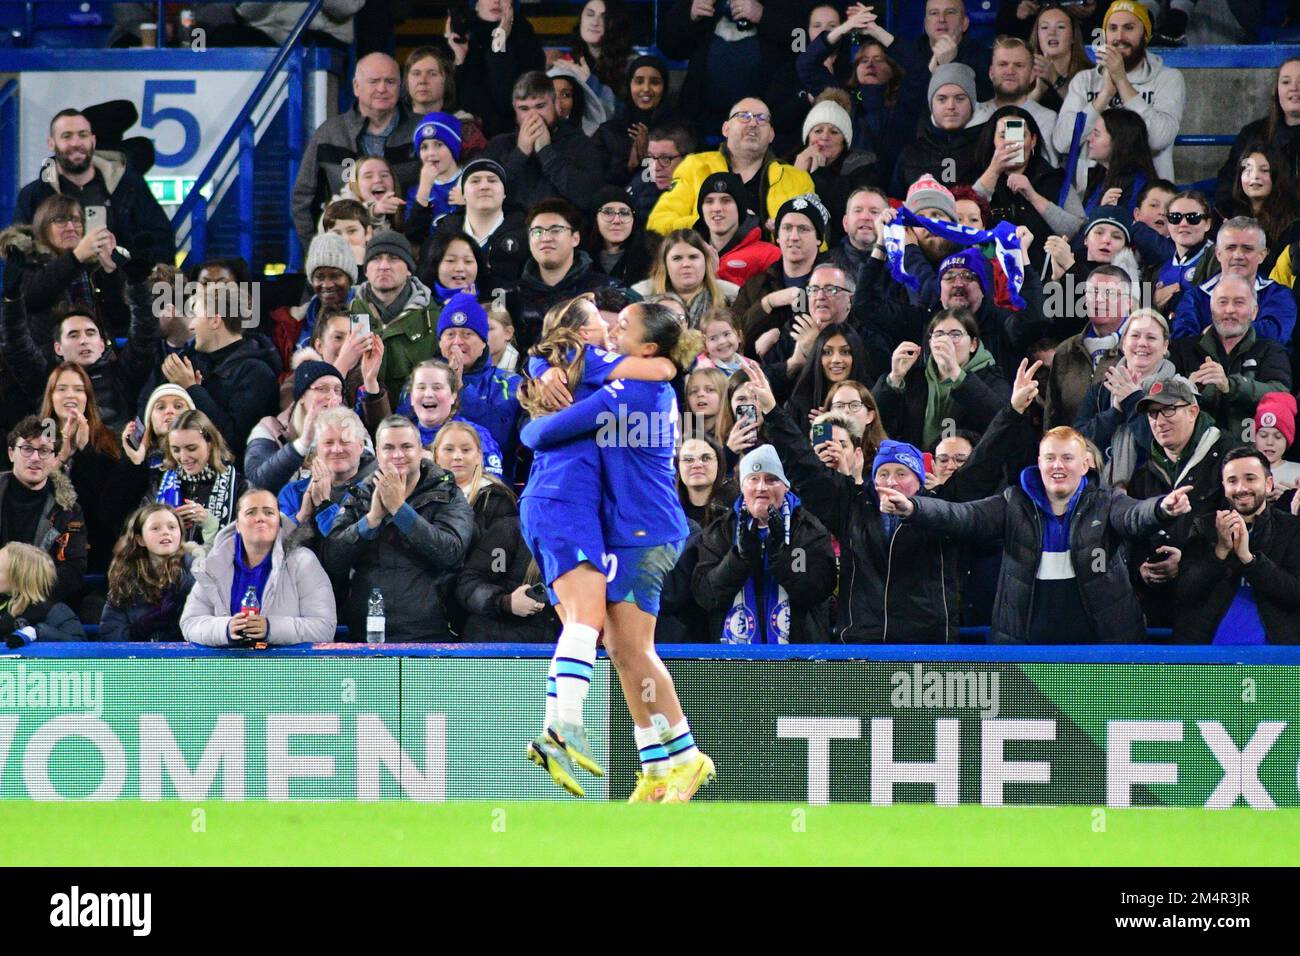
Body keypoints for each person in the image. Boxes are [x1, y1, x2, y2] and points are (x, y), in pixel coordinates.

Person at [520, 301, 714, 802]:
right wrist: (541, 368)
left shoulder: (636, 387)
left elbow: (541, 431)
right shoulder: (638, 380)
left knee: (633, 649)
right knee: (623, 650)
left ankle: (687, 757)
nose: (611, 329)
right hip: (637, 530)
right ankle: (653, 765)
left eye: (622, 326)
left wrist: (538, 401)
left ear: (647, 347)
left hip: (642, 533)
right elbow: (555, 353)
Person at [749, 356, 1033, 642]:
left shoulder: (944, 505)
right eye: (883, 473)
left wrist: (1013, 410)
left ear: (920, 480)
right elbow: (804, 464)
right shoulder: (851, 506)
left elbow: (983, 463)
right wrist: (772, 412)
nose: (891, 481)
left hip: (928, 649)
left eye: (902, 473)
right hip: (863, 647)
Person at [881, 421, 1194, 643]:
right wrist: (914, 508)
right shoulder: (1013, 502)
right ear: (1039, 463)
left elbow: (1135, 516)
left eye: (1067, 458)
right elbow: (963, 516)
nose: (1058, 466)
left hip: (1103, 653)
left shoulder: (1107, 502)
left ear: (1085, 464)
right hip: (1025, 656)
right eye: (1050, 458)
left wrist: (1161, 509)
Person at [320, 415, 475, 642]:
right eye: (389, 448)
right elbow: (332, 559)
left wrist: (399, 510)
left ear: (421, 449)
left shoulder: (447, 493)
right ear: (377, 454)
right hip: (365, 634)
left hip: (430, 634)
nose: (398, 455)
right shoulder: (360, 495)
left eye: (406, 446)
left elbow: (450, 553)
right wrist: (371, 520)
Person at [692, 443, 837, 643]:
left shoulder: (807, 531)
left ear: (785, 485)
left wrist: (782, 554)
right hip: (735, 663)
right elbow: (706, 596)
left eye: (771, 479)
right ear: (742, 486)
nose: (761, 487)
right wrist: (739, 558)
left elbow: (814, 590)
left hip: (798, 657)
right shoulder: (720, 532)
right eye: (754, 479)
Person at [2, 259, 158, 432]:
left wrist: (138, 284)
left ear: (101, 344)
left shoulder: (121, 375)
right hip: (58, 456)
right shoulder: (45, 377)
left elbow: (145, 334)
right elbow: (16, 344)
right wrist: (13, 300)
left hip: (113, 456)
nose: (83, 340)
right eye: (73, 335)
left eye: (90, 333)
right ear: (58, 348)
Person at [291, 53, 421, 249]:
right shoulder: (330, 133)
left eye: (390, 81)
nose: (382, 88)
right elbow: (303, 199)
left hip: (408, 253)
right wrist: (319, 251)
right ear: (356, 87)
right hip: (346, 256)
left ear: (400, 87)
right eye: (374, 81)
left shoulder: (421, 131)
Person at [1173, 447, 1300, 644]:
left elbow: (1294, 593)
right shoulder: (1204, 527)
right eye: (1232, 481)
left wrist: (1249, 560)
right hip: (1210, 656)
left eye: (1250, 478)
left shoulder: (1291, 528)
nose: (1241, 488)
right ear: (1224, 486)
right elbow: (1186, 592)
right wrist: (1220, 551)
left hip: (1275, 656)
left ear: (1268, 484)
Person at [13, 108, 175, 261]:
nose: (76, 143)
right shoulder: (34, 194)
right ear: (51, 143)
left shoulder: (129, 185)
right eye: (67, 136)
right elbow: (18, 258)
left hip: (122, 287)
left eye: (82, 135)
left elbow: (161, 242)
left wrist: (129, 268)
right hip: (58, 287)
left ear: (93, 140)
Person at [181, 489, 336, 646]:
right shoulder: (214, 565)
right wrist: (226, 628)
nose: (260, 518)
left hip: (288, 668)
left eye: (269, 513)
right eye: (251, 512)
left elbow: (324, 627)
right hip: (226, 668)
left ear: (278, 523)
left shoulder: (303, 562)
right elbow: (190, 623)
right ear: (238, 525)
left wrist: (270, 628)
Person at [1051, 1, 1186, 183]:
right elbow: (1063, 142)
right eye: (1112, 28)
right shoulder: (1084, 80)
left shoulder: (1168, 78)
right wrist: (1104, 95)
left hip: (1149, 198)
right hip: (1090, 198)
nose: (1119, 36)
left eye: (1129, 28)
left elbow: (1159, 138)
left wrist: (1122, 82)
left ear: (1145, 34)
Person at [647, 96, 815, 238]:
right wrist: (707, 223)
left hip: (771, 270)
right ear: (726, 128)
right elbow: (659, 222)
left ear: (771, 134)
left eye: (761, 118)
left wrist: (783, 232)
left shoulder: (797, 179)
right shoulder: (696, 166)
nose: (753, 123)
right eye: (743, 116)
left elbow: (817, 240)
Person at [656, 0, 802, 141]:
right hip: (701, 126)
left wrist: (764, 16)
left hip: (763, 126)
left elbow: (803, 41)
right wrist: (689, 14)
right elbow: (667, 46)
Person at [0, 194, 128, 346]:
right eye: (60, 220)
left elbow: (121, 318)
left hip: (98, 358)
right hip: (45, 361)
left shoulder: (94, 266)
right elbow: (33, 298)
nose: (71, 228)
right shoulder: (26, 260)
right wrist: (76, 256)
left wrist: (110, 271)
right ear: (43, 226)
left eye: (76, 220)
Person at [1170, 275, 1292, 434]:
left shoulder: (1271, 350)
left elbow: (1281, 395)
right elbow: (1162, 400)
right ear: (1212, 310)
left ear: (1254, 312)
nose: (1229, 310)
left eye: (1239, 302)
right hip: (1195, 452)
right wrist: (1187, 389)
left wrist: (1230, 386)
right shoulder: (1182, 348)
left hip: (1250, 452)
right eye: (1222, 302)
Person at [875, 308, 1010, 450]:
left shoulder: (992, 378)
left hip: (967, 467)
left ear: (973, 344)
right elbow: (875, 420)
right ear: (930, 342)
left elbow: (1002, 422)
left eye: (955, 335)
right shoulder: (915, 378)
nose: (946, 342)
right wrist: (894, 378)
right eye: (939, 335)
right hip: (917, 467)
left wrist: (955, 373)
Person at [1073, 308, 1177, 487]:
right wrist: (1115, 413)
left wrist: (1132, 401)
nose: (1142, 343)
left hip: (1153, 493)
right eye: (1135, 336)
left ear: (1165, 346)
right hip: (1099, 493)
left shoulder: (1178, 390)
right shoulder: (1101, 390)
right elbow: (1078, 442)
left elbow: (1166, 448)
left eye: (1151, 338)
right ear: (1123, 343)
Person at [972, 107, 1083, 273]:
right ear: (992, 140)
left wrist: (1033, 195)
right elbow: (964, 220)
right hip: (992, 275)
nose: (1012, 143)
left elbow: (1077, 229)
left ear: (1033, 140)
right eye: (1003, 136)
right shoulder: (977, 175)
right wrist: (994, 170)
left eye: (1020, 136)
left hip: (1044, 276)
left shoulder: (1056, 179)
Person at [506, 198, 622, 352]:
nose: (546, 238)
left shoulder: (607, 289)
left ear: (575, 238)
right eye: (537, 231)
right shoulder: (512, 296)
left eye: (556, 230)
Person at [481, 71, 605, 214]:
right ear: (514, 109)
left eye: (540, 106)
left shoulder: (580, 144)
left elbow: (588, 197)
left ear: (555, 104)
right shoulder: (500, 145)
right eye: (524, 108)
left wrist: (546, 153)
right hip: (511, 231)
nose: (533, 116)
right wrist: (520, 153)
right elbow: (485, 197)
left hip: (564, 229)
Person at [0, 416, 87, 605]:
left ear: (55, 457)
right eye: (27, 448)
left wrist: (29, 593)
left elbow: (73, 569)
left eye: (44, 451)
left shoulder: (68, 510)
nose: (35, 457)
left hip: (41, 602)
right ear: (11, 453)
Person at [1172, 218, 1297, 348]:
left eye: (1247, 249)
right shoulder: (1194, 297)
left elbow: (1274, 336)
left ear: (1262, 255)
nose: (1238, 255)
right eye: (1230, 248)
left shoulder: (1278, 294)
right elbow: (1182, 343)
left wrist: (1213, 334)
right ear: (1218, 253)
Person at [346, 231, 440, 402]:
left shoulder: (433, 318)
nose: (383, 266)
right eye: (375, 258)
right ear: (366, 270)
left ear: (409, 270)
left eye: (393, 258)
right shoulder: (348, 312)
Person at [734, 195, 829, 357]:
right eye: (787, 228)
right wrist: (767, 303)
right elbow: (733, 337)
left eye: (803, 229)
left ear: (819, 239)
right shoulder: (755, 285)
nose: (794, 237)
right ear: (777, 237)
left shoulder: (833, 284)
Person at [1045, 264, 1134, 426]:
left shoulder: (1141, 349)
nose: (1099, 299)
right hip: (1072, 447)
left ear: (1128, 302)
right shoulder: (1066, 350)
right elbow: (1052, 415)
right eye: (1093, 292)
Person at [428, 157, 529, 293]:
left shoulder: (526, 231)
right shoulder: (444, 232)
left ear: (504, 193)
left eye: (492, 180)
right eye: (475, 181)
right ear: (462, 194)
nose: (484, 186)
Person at [244, 360, 348, 493]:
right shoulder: (269, 428)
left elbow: (365, 472)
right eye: (322, 389)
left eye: (337, 390)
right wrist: (303, 443)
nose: (332, 396)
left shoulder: (350, 426)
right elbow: (257, 483)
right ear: (302, 396)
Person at [449, 0, 548, 139]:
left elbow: (507, 101)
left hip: (514, 135)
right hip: (468, 137)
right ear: (476, 4)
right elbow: (453, 101)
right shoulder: (461, 36)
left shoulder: (525, 36)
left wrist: (499, 43)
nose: (496, 1)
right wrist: (459, 61)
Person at [1215, 57, 1300, 215]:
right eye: (1286, 82)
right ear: (1276, 90)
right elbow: (1227, 186)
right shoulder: (1252, 134)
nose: (1294, 88)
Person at [793, 91, 881, 244]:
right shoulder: (789, 163)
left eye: (834, 132)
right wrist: (795, 175)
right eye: (818, 130)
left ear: (844, 141)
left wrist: (819, 173)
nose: (824, 137)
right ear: (808, 137)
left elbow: (837, 212)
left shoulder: (862, 168)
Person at [100, 504, 195, 642]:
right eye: (156, 528)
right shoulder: (125, 580)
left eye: (172, 527)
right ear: (140, 539)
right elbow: (110, 633)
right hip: (139, 661)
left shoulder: (197, 574)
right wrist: (137, 631)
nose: (165, 532)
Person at [892, 63, 985, 199]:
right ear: (931, 104)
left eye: (960, 99)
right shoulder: (911, 153)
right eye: (942, 99)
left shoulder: (988, 147)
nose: (951, 106)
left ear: (972, 103)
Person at [889, 0, 994, 119]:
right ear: (925, 23)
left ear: (964, 23)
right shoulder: (908, 55)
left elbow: (983, 105)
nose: (941, 19)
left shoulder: (986, 58)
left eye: (950, 12)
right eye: (934, 13)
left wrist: (949, 66)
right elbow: (906, 109)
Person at [270, 232, 357, 373]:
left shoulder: (368, 315)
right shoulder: (293, 321)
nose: (327, 284)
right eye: (319, 277)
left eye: (335, 276)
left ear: (350, 278)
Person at [970, 36, 1060, 165]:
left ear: (1032, 75)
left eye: (1019, 65)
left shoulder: (1046, 118)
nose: (1010, 71)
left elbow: (1049, 173)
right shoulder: (974, 113)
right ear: (991, 73)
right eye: (1003, 64)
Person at [592, 54, 676, 187]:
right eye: (639, 81)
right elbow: (596, 183)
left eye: (654, 82)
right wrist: (630, 166)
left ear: (664, 88)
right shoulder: (608, 132)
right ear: (629, 85)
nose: (646, 88)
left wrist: (648, 158)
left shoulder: (679, 131)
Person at [1219, 145, 1300, 275]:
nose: (1255, 176)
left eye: (1264, 170)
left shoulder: (1294, 221)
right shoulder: (1224, 212)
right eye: (1248, 170)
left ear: (1277, 175)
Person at [633, 229, 738, 328]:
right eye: (677, 258)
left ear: (706, 262)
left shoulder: (732, 297)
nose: (686, 264)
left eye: (693, 257)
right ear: (664, 264)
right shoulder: (640, 298)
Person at [693, 173, 780, 288]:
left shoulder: (769, 255)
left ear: (740, 208)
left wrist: (715, 277)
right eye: (709, 201)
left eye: (726, 201)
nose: (717, 208)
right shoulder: (687, 253)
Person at [403, 45, 488, 160]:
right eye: (416, 73)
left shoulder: (464, 128)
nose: (422, 81)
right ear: (406, 82)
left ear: (446, 81)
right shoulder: (393, 124)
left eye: (432, 74)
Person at [431, 419, 516, 531]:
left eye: (466, 450)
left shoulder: (497, 499)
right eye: (449, 449)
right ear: (436, 456)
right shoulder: (422, 496)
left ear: (479, 457)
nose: (457, 456)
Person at [0, 542, 85, 647]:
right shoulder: (5, 607)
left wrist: (37, 632)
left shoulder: (55, 610)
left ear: (20, 577)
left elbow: (80, 646)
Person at [403, 111, 464, 241]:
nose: (431, 153)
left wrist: (467, 204)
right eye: (424, 147)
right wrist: (424, 192)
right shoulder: (416, 192)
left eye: (439, 145)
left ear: (453, 147)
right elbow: (413, 237)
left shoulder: (472, 179)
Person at [1027, 3, 1096, 113]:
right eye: (1045, 27)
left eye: (1060, 27)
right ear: (1037, 36)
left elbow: (1089, 117)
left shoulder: (1091, 74)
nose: (1052, 33)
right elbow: (1011, 119)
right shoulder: (1025, 75)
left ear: (1073, 36)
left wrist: (1056, 80)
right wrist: (1037, 92)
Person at [581, 187, 652, 286]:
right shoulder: (579, 261)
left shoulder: (651, 259)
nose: (617, 220)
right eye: (608, 212)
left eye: (624, 213)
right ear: (595, 219)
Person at [629, 123, 695, 219]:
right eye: (650, 157)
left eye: (665, 158)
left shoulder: (706, 195)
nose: (656, 167)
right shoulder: (637, 187)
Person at [1253, 392, 1300, 499]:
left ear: (1288, 440)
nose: (1270, 442)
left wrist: (1290, 500)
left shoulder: (1298, 472)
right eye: (1263, 436)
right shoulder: (1242, 470)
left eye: (1278, 437)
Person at [677, 434, 728, 527]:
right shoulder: (667, 511)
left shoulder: (735, 510)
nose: (697, 465)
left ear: (719, 464)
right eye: (688, 459)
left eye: (705, 458)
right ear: (678, 467)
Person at [322, 199, 376, 268]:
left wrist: (359, 265)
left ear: (368, 233)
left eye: (352, 231)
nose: (345, 239)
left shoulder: (380, 266)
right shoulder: (321, 270)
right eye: (336, 234)